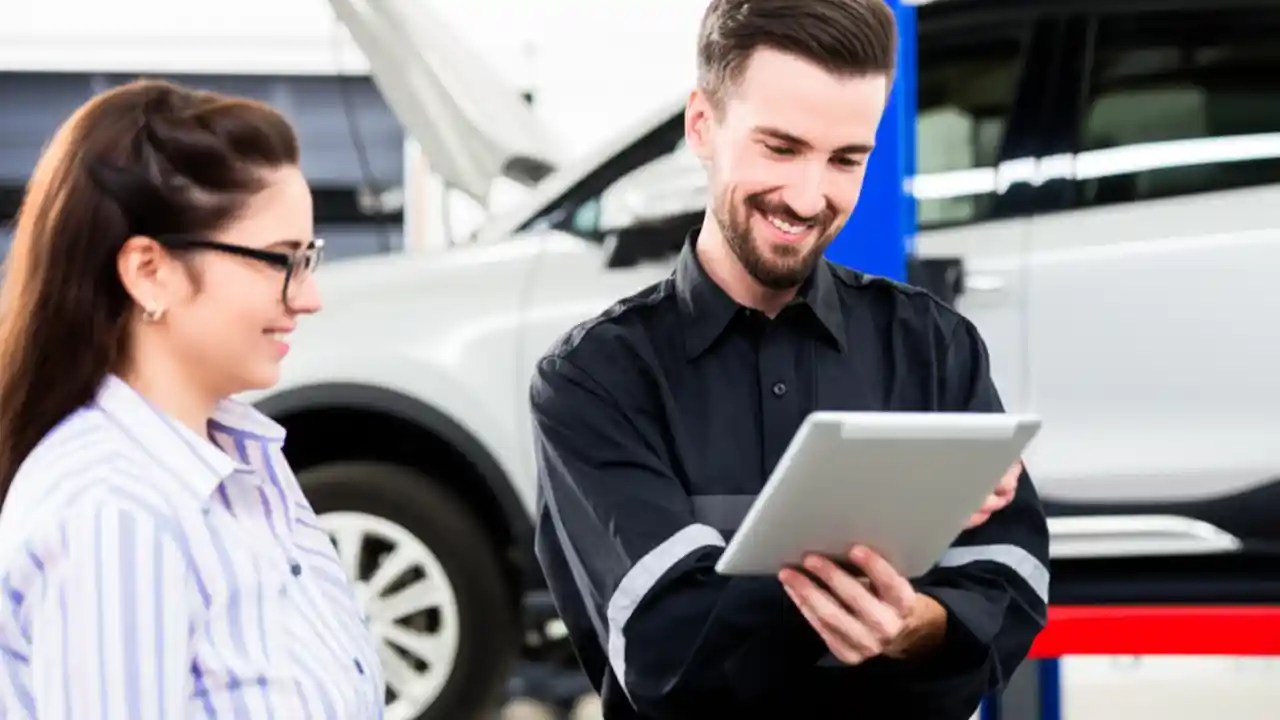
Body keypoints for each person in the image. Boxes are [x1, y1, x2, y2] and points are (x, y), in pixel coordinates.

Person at [528, 0, 1050, 718]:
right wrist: (884, 556)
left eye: (846, 159)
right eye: (780, 148)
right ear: (702, 125)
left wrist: (918, 626)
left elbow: (1011, 584)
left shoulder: (933, 346)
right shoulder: (595, 380)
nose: (809, 198)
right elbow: (666, 646)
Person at [0, 79, 384, 718]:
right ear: (149, 272)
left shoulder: (245, 463)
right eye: (279, 261)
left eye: (308, 258)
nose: (309, 297)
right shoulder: (115, 512)